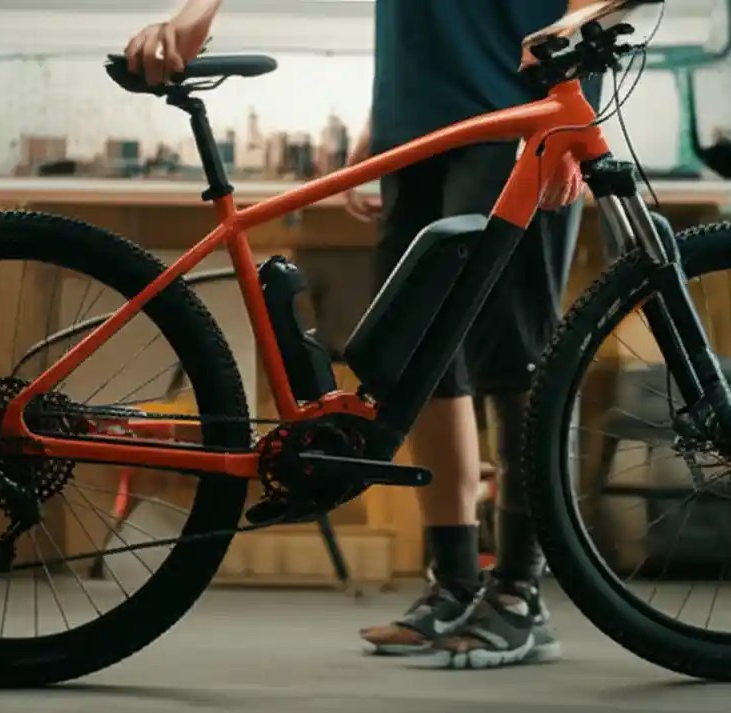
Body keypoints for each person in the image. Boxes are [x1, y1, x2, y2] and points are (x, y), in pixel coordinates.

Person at [128, 0, 598, 670]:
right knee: (421, 366)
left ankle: (520, 590)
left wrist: (572, 118)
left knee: (516, 359)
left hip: (516, 115)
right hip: (416, 120)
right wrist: (382, 118)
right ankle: (455, 581)